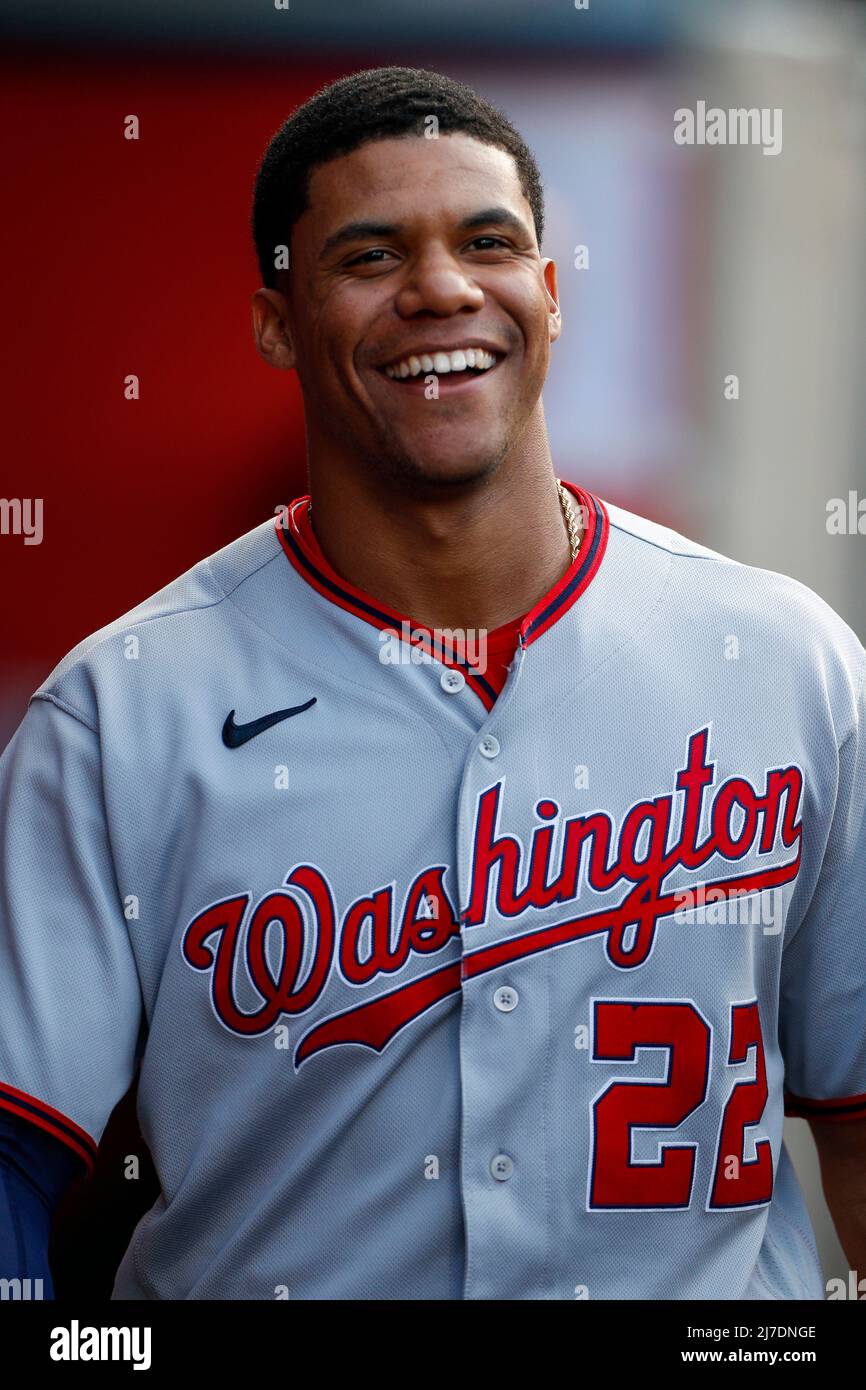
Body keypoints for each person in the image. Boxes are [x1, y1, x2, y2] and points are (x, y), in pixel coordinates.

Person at [1, 65, 864, 1301]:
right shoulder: (123, 708)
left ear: (550, 297)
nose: (442, 288)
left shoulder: (785, 660)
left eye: (487, 242)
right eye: (368, 255)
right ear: (275, 322)